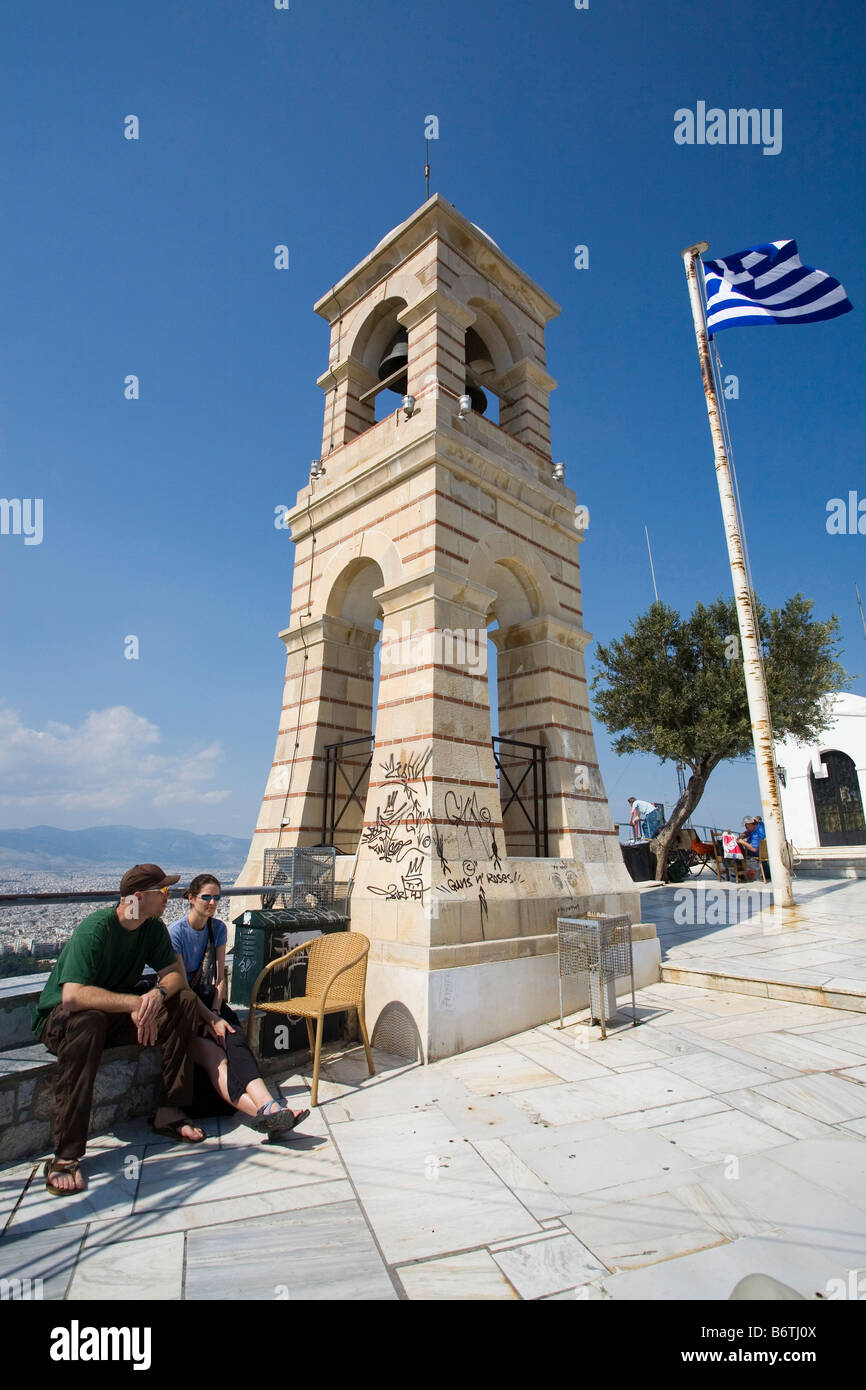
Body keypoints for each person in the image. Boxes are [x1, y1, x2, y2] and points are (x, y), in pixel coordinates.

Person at [32, 864, 205, 1197]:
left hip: (112, 1017)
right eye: (163, 892)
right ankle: (65, 1155)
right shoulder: (96, 928)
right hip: (63, 1019)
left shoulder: (151, 928)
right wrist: (134, 1004)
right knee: (90, 1019)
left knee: (181, 1002)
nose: (168, 899)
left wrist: (156, 995)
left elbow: (175, 976)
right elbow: (72, 996)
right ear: (139, 897)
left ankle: (169, 1109)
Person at [168, 874, 309, 1136]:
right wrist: (210, 1020)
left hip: (210, 1004)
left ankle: (269, 1108)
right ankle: (268, 1113)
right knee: (218, 1058)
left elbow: (221, 978)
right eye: (206, 897)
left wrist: (214, 1011)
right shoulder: (175, 934)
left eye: (216, 898)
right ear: (191, 898)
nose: (212, 903)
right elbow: (183, 988)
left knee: (236, 1044)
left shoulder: (217, 929)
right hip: (186, 1009)